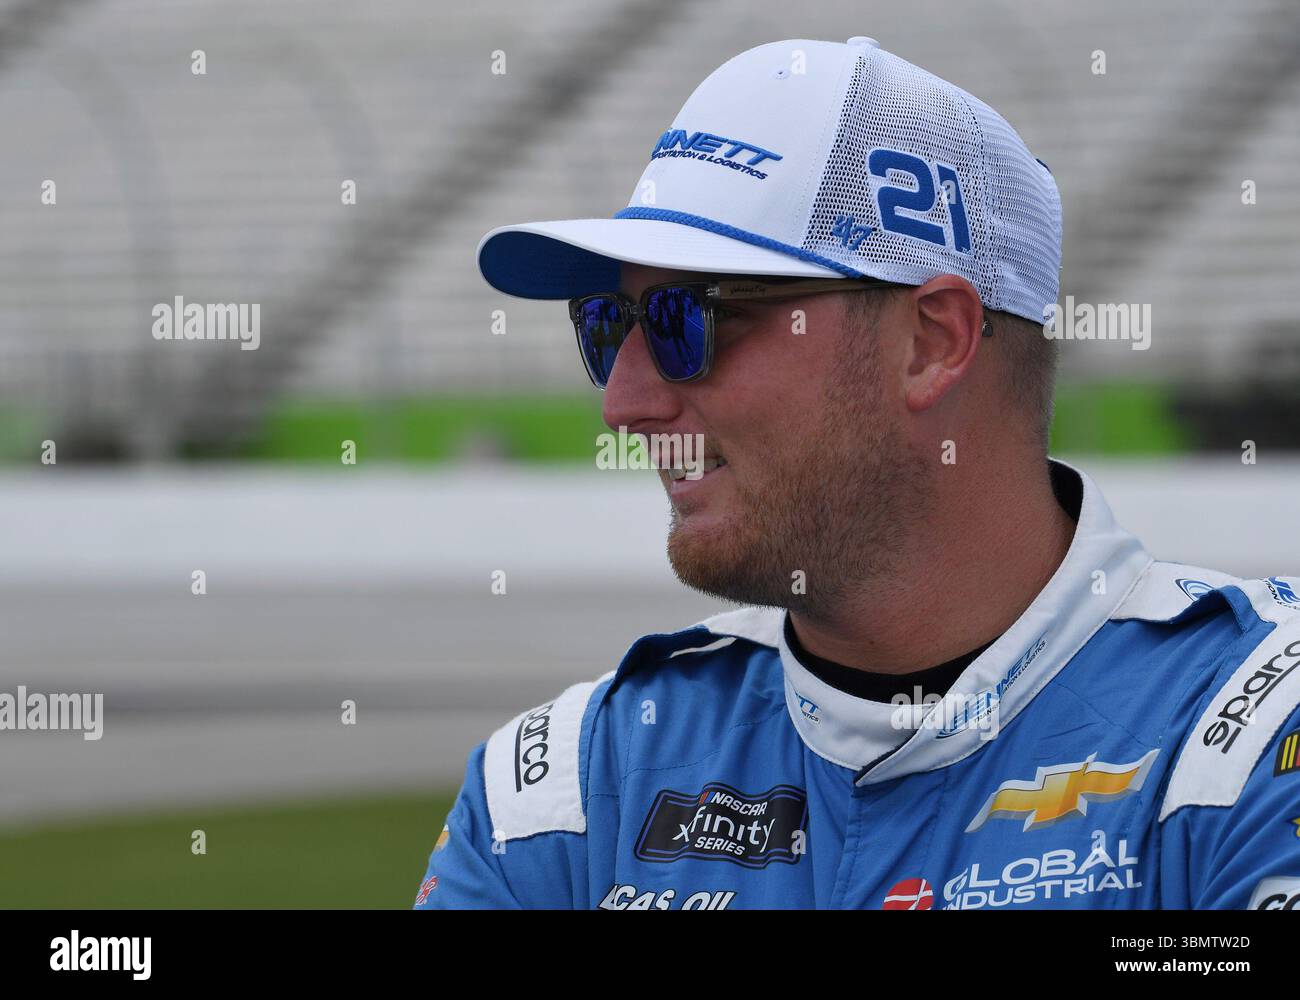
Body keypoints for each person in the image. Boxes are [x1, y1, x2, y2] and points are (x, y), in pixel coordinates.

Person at [415, 37, 1300, 909]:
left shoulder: (1255, 732)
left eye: (691, 320)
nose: (625, 401)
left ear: (932, 342)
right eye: (607, 325)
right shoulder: (560, 791)